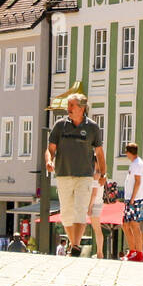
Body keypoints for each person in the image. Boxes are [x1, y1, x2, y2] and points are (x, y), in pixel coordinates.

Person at [45, 93, 106, 258]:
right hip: (63, 174)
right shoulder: (60, 126)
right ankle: (74, 244)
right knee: (66, 213)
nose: (68, 109)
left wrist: (103, 173)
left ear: (82, 108)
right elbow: (50, 149)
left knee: (80, 210)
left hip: (85, 176)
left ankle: (76, 245)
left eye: (71, 105)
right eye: (68, 105)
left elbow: (99, 153)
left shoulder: (92, 128)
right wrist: (49, 161)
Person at [121, 144, 143, 261]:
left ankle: (138, 253)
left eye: (126, 152)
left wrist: (132, 198)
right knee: (126, 224)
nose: (125, 154)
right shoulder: (134, 163)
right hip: (131, 198)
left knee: (134, 225)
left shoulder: (137, 164)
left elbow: (137, 182)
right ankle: (133, 250)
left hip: (135, 198)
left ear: (129, 152)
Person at [87, 161, 107, 259]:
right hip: (99, 202)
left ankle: (100, 253)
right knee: (97, 229)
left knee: (97, 229)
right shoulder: (103, 175)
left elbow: (94, 193)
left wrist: (89, 207)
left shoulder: (96, 175)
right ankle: (99, 252)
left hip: (94, 203)